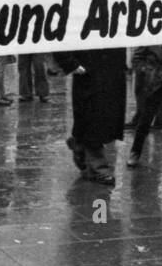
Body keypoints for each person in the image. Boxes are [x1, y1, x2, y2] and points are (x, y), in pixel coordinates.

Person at [55, 47, 128, 186]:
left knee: (109, 115)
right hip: (89, 69)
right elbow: (59, 35)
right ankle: (97, 166)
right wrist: (69, 62)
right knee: (92, 115)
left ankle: (79, 143)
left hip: (113, 67)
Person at [126, 43, 162, 168]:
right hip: (153, 84)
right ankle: (135, 152)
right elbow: (137, 58)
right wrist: (146, 71)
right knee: (144, 121)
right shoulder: (151, 36)